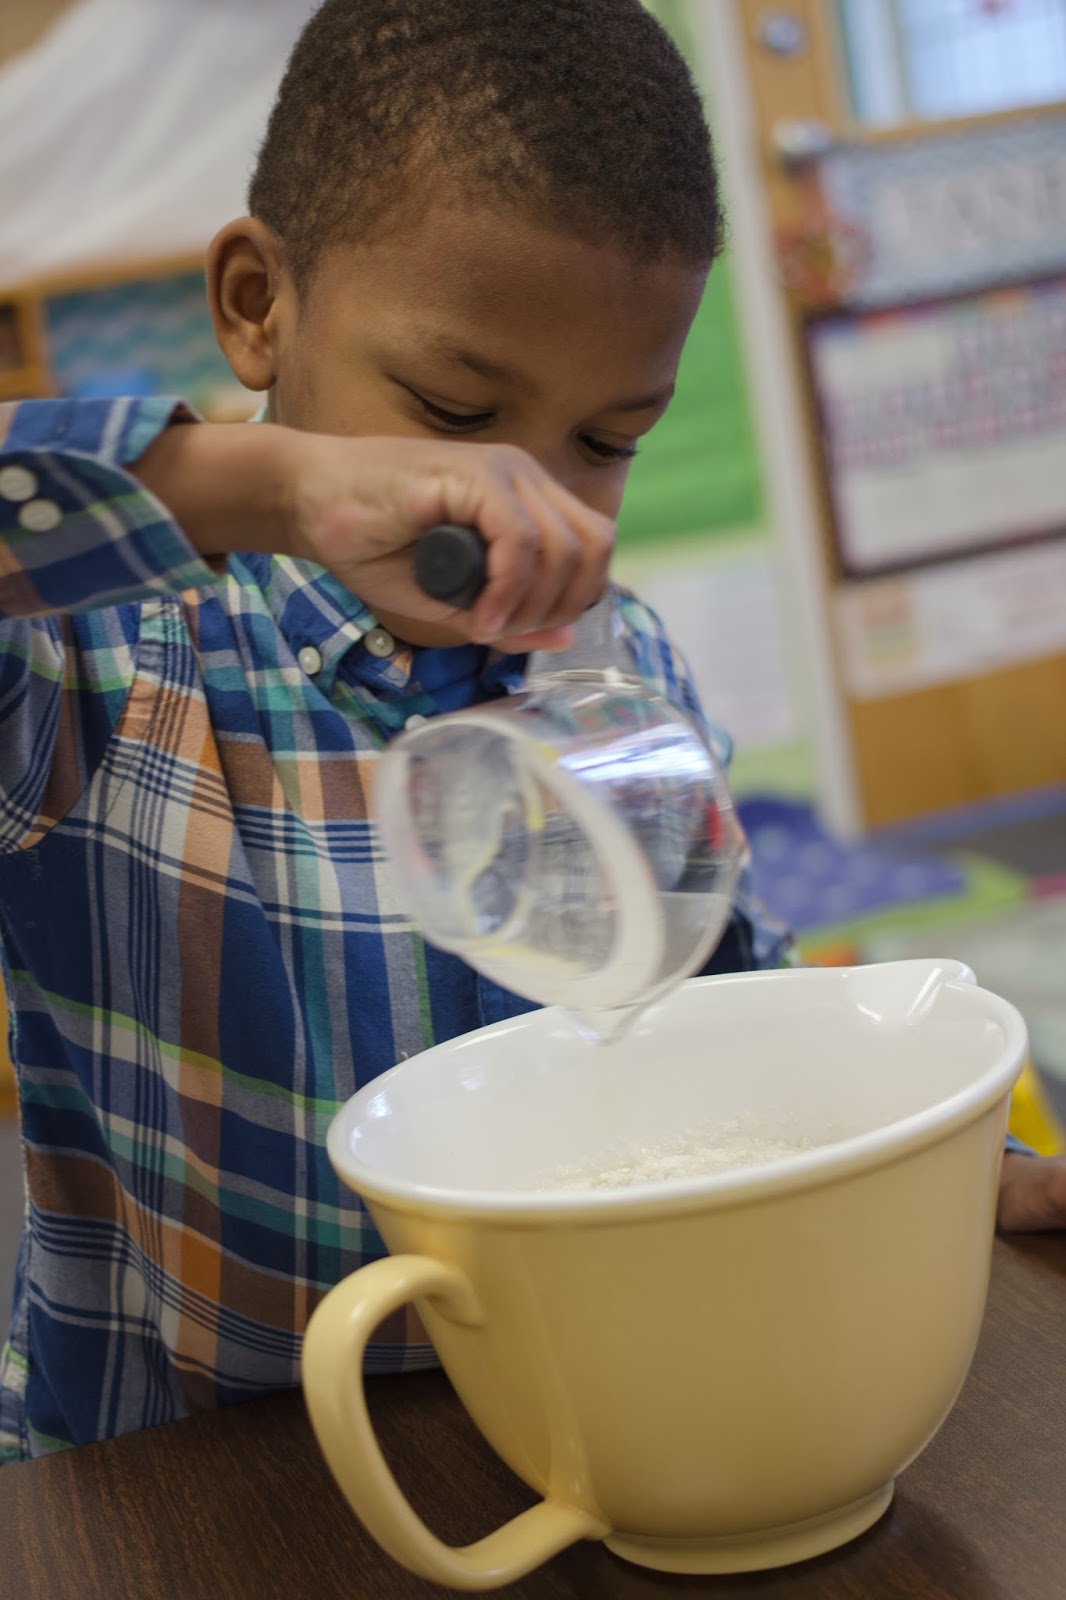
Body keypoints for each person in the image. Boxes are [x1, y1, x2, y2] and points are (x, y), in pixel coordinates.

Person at [0, 0, 1061, 1464]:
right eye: (450, 406)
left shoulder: (612, 660)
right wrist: (274, 489)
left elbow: (726, 1002)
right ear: (258, 303)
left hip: (584, 1424)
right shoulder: (103, 653)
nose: (532, 500)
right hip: (200, 1467)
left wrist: (937, 1167)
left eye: (607, 443)